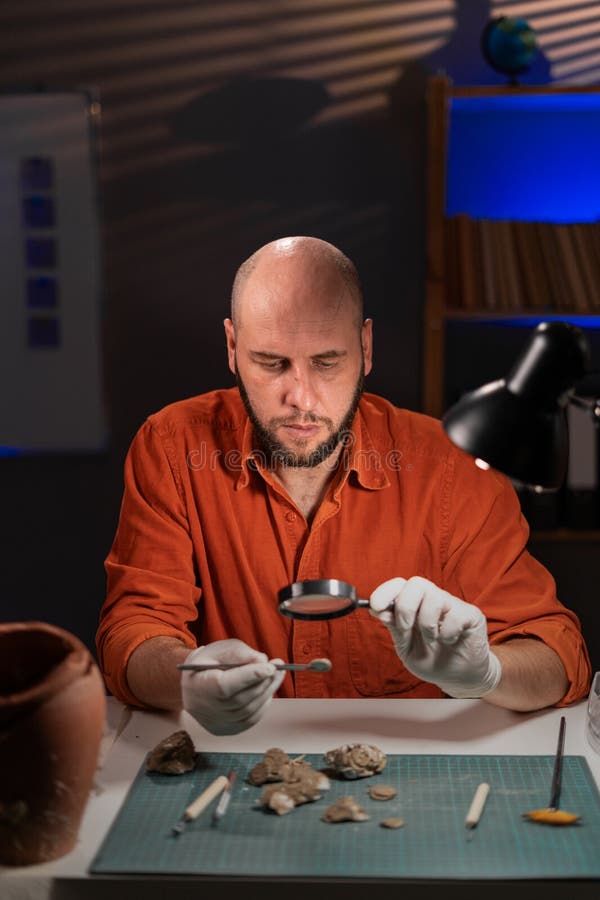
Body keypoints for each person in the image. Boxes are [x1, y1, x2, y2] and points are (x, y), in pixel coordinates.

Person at [96, 236, 591, 735]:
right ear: (231, 347)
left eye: (327, 362)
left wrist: (485, 672)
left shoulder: (451, 467)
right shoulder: (171, 446)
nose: (301, 397)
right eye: (271, 363)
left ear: (366, 348)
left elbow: (560, 658)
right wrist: (187, 679)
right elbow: (132, 633)